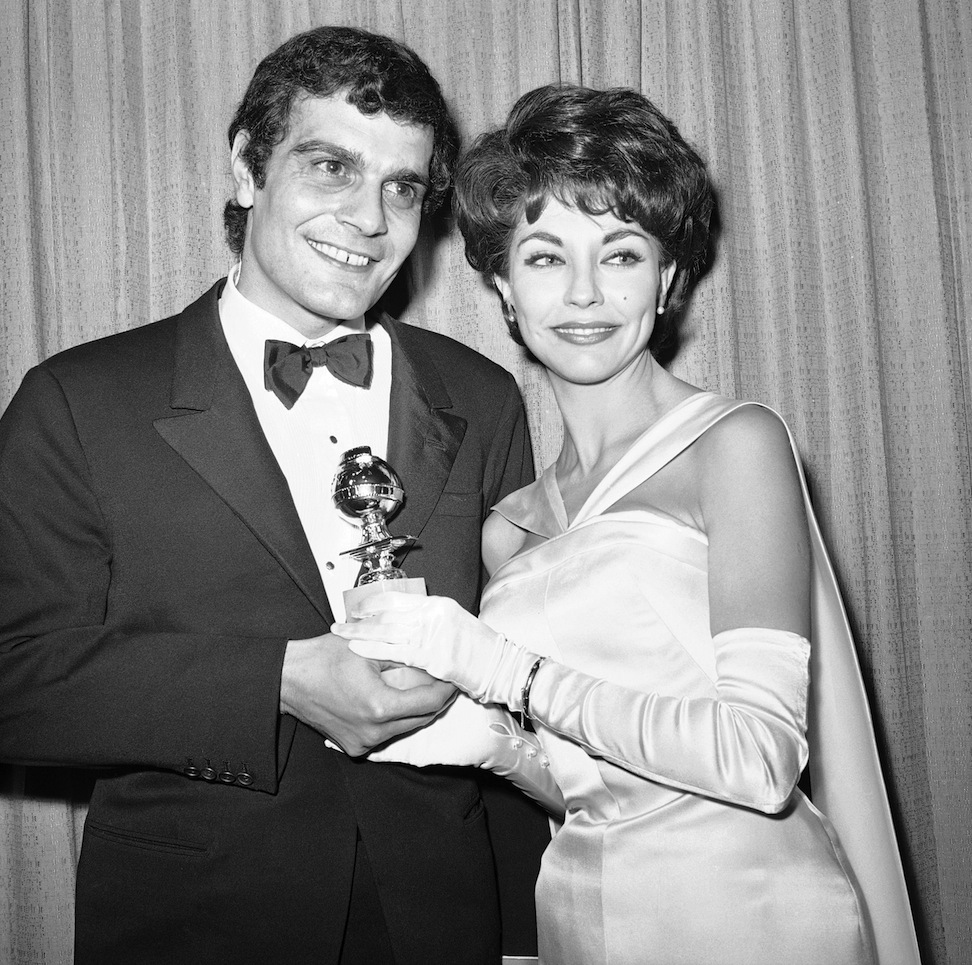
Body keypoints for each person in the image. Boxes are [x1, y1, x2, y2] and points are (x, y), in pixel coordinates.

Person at [0, 26, 551, 964]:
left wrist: (526, 934)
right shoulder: (79, 400)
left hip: (444, 918)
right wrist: (275, 684)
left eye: (401, 188)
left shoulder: (483, 395)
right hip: (195, 920)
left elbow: (522, 671)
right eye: (331, 166)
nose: (370, 219)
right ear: (248, 167)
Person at [333, 84, 921, 964]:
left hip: (751, 914)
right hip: (582, 907)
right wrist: (485, 744)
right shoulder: (511, 527)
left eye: (620, 254)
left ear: (668, 277)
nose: (583, 294)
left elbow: (759, 761)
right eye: (543, 257)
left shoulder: (736, 446)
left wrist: (501, 668)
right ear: (501, 284)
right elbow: (585, 783)